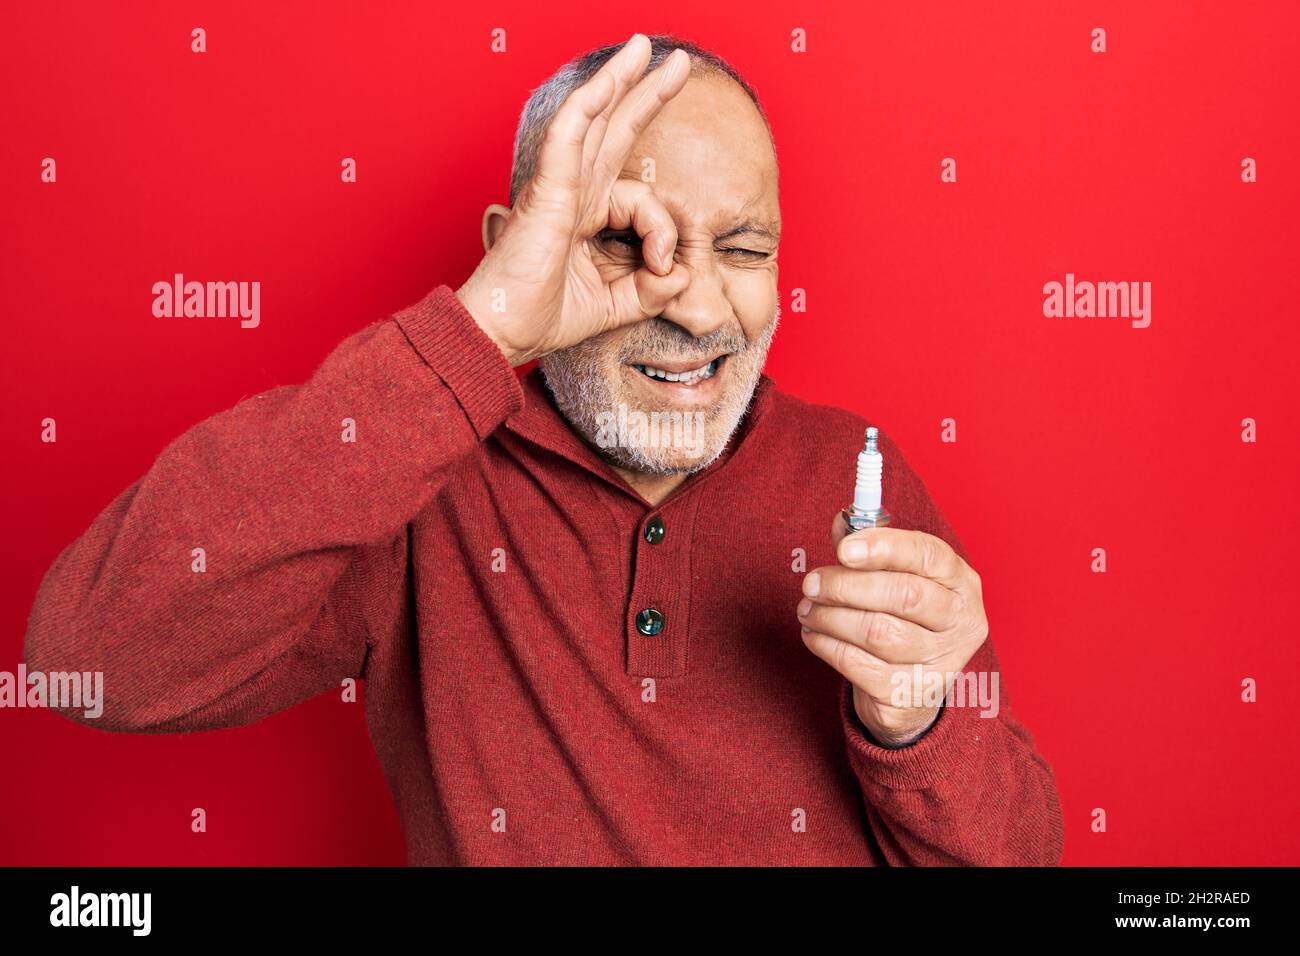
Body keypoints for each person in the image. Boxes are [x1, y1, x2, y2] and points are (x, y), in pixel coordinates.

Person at [24, 33, 1063, 865]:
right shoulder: (413, 482)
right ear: (507, 252)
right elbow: (90, 662)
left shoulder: (859, 477)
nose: (698, 306)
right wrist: (474, 339)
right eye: (625, 242)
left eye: (743, 250)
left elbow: (1017, 855)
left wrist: (914, 721)